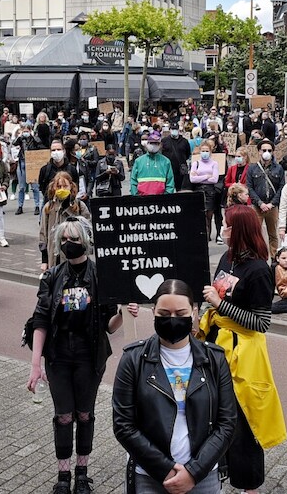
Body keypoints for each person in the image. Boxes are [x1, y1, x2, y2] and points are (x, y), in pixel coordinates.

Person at [28, 217, 131, 494]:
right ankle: (63, 476)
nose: (68, 244)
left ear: (84, 241)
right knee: (63, 415)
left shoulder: (100, 276)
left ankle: (82, 474)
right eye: (63, 239)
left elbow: (109, 325)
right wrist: (35, 364)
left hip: (89, 357)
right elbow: (40, 320)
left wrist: (123, 313)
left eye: (73, 239)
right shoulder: (52, 277)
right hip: (58, 358)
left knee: (85, 414)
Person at [112, 280, 236, 494]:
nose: (172, 319)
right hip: (149, 475)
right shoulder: (133, 360)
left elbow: (227, 423)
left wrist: (193, 472)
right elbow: (123, 424)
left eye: (180, 313)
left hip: (204, 476)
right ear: (153, 312)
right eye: (164, 313)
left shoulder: (214, 359)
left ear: (194, 312)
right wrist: (164, 469)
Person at [198, 205, 286, 494]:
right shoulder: (228, 257)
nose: (223, 230)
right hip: (216, 344)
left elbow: (262, 322)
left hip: (243, 353)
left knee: (243, 420)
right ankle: (218, 472)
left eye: (227, 226)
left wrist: (219, 304)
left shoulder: (259, 270)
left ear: (240, 231)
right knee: (215, 415)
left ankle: (250, 486)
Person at [39, 172, 90, 272]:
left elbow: (88, 232)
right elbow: (43, 235)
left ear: (71, 186)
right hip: (54, 259)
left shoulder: (79, 206)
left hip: (76, 259)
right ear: (54, 187)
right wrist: (44, 260)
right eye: (59, 186)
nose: (62, 189)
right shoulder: (49, 207)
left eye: (65, 186)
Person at [190, 142, 222, 241]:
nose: (205, 153)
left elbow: (215, 179)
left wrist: (199, 176)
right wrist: (207, 176)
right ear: (200, 151)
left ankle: (207, 237)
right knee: (200, 216)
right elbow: (192, 179)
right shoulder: (195, 164)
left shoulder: (214, 164)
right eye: (203, 151)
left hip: (210, 192)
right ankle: (201, 237)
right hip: (198, 190)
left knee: (208, 216)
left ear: (210, 152)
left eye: (207, 151)